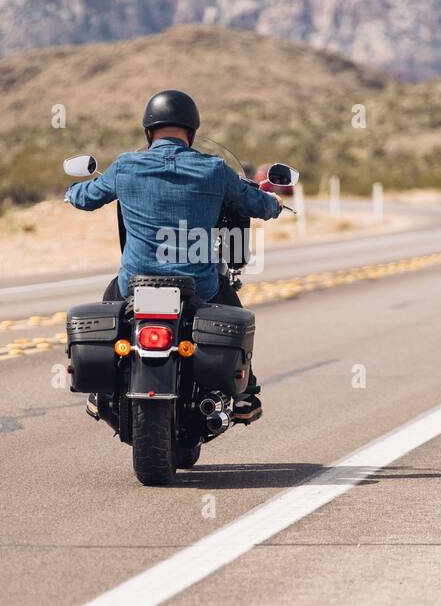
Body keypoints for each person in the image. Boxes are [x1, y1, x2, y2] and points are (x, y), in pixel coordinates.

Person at [65, 89, 281, 423]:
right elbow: (256, 204)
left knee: (111, 301)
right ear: (191, 131)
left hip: (135, 280)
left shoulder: (125, 166)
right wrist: (275, 204)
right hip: (200, 285)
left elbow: (87, 197)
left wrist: (71, 193)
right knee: (233, 310)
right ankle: (245, 394)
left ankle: (102, 391)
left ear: (149, 130)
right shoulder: (215, 170)